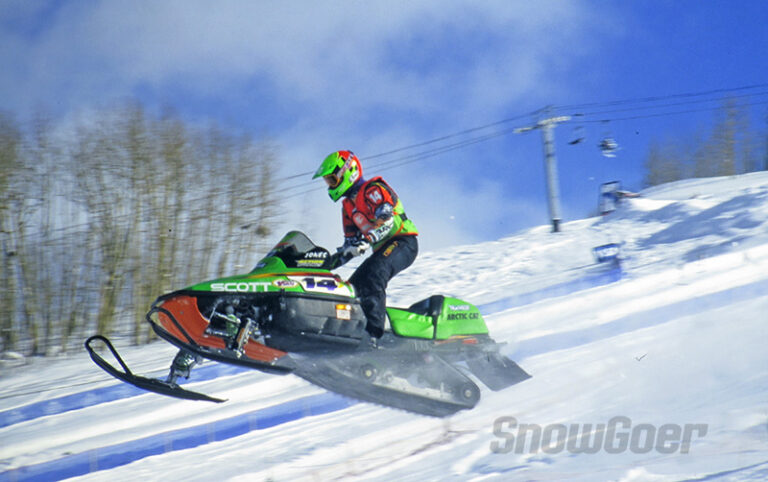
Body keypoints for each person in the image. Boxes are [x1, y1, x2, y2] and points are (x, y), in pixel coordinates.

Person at [313, 150, 418, 342]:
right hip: (382, 248)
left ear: (348, 172)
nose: (330, 185)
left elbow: (386, 218)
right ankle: (352, 335)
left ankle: (375, 336)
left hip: (403, 242)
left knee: (374, 274)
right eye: (327, 181)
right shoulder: (347, 208)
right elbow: (350, 246)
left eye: (332, 180)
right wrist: (321, 265)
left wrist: (367, 239)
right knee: (352, 288)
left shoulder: (373, 189)